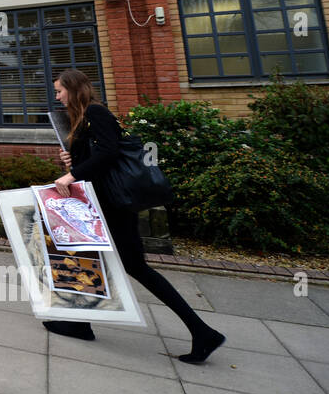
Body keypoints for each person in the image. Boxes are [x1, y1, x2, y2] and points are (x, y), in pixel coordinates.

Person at [48, 69, 225, 364]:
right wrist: (73, 159)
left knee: (132, 266)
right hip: (102, 205)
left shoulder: (95, 112)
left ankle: (202, 331)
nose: (57, 97)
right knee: (92, 260)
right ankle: (80, 324)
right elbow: (98, 156)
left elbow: (109, 153)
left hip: (112, 206)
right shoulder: (83, 118)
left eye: (59, 91)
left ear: (73, 88)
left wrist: (71, 174)